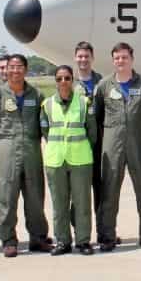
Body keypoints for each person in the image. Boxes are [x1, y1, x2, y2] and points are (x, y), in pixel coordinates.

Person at [0, 54, 52, 256]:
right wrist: (0, 145)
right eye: (11, 67)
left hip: (32, 148)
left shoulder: (36, 95)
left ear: (25, 69)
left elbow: (43, 123)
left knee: (35, 196)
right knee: (7, 197)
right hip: (7, 147)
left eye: (19, 67)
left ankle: (38, 238)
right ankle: (9, 240)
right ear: (6, 70)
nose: (15, 71)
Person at [92, 42, 141, 251]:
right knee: (109, 190)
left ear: (132, 59)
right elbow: (98, 116)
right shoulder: (104, 86)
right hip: (112, 144)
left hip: (138, 143)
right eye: (117, 58)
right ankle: (107, 236)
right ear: (113, 61)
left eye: (124, 57)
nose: (121, 61)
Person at [42, 65, 98, 255]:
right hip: (56, 160)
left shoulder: (84, 103)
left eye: (67, 78)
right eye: (59, 79)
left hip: (80, 159)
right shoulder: (47, 105)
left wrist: (80, 147)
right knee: (59, 203)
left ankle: (82, 241)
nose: (63, 82)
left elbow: (92, 132)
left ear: (72, 80)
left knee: (82, 202)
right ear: (55, 81)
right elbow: (44, 131)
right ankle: (62, 241)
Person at [71, 41, 105, 244]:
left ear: (92, 58)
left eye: (86, 56)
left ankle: (104, 232)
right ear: (75, 58)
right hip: (79, 143)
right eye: (80, 56)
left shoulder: (103, 82)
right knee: (79, 191)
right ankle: (80, 233)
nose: (83, 60)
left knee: (102, 191)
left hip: (100, 142)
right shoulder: (69, 82)